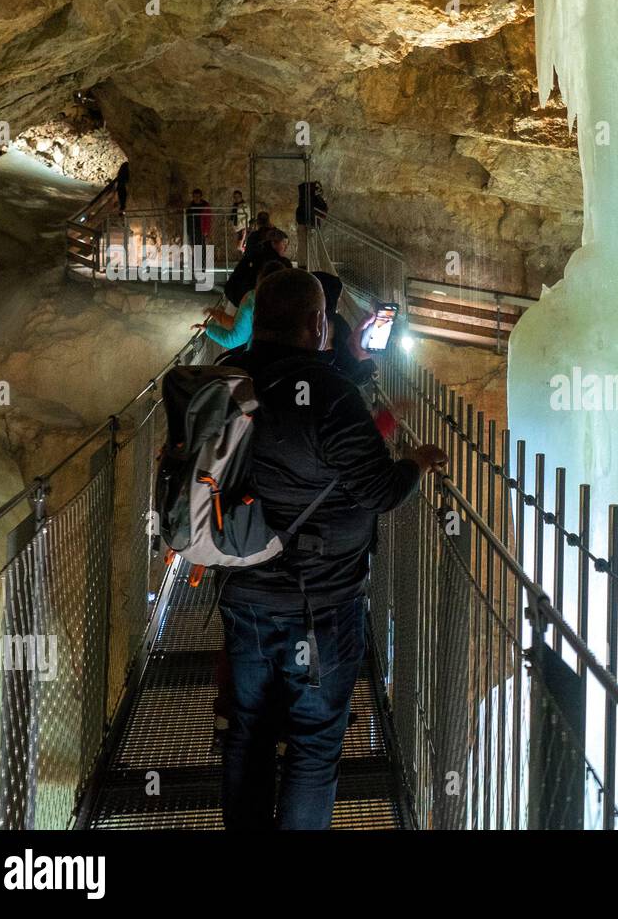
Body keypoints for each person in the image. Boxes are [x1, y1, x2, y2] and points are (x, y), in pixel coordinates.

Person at [216, 269, 445, 829]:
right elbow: (380, 490)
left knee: (248, 733)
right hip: (320, 604)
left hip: (242, 591)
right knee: (314, 746)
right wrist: (415, 462)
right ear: (318, 324)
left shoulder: (225, 380)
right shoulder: (330, 394)